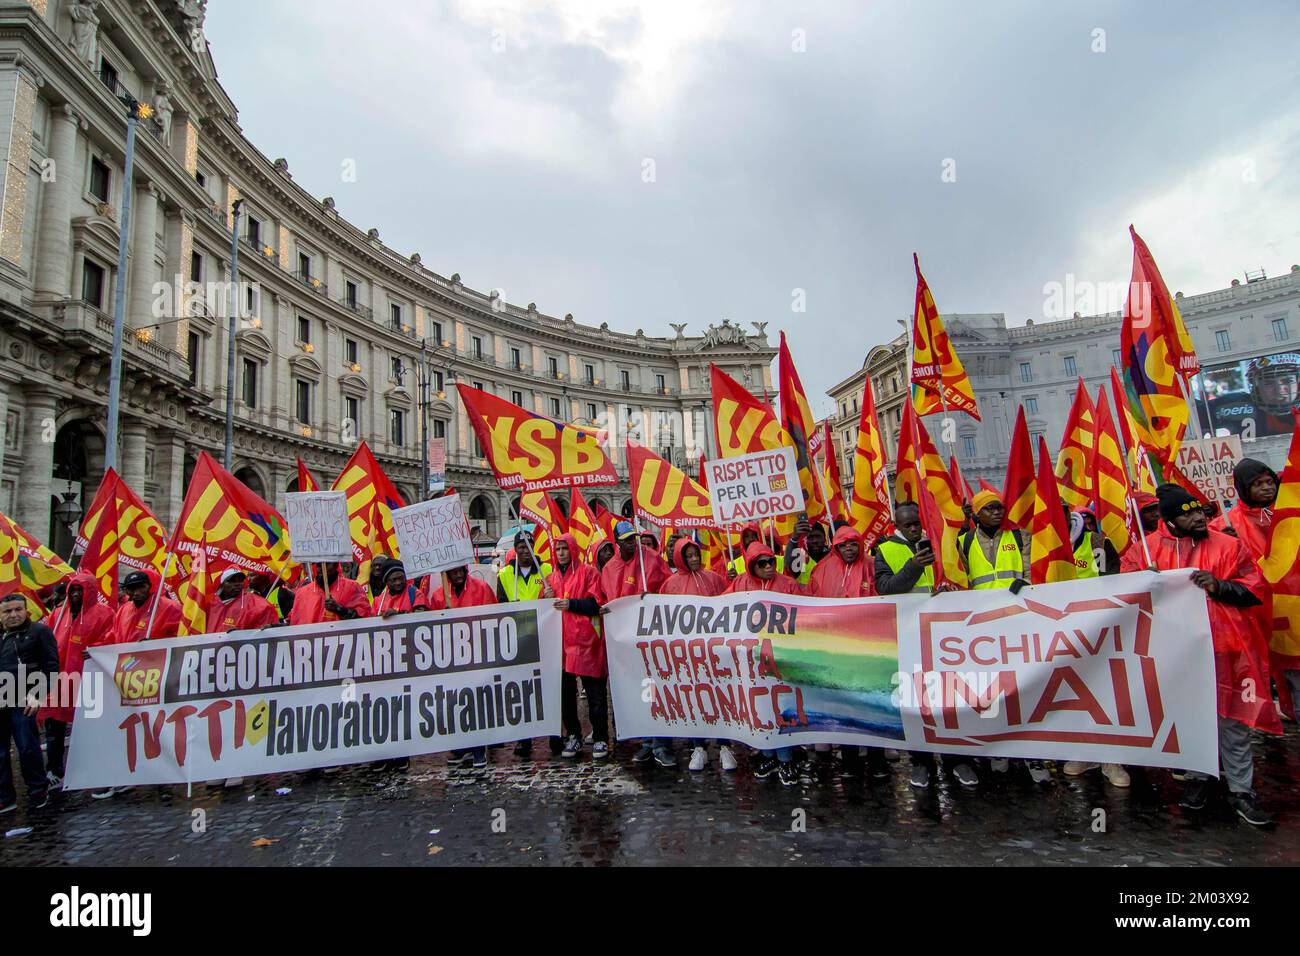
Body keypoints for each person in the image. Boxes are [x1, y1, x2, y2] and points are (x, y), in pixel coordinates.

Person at [1147, 483, 1277, 825]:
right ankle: (1199, 779)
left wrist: (1219, 586)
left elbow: (1256, 589)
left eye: (1200, 510)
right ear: (1171, 520)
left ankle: (1241, 791)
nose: (1198, 517)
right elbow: (1127, 599)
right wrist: (1145, 584)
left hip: (1228, 652)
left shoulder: (1230, 546)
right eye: (1187, 513)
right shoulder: (1147, 553)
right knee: (1191, 721)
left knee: (1233, 723)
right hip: (1180, 655)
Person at [874, 503, 980, 790]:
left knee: (949, 702)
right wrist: (913, 567)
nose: (914, 529)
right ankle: (921, 762)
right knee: (916, 704)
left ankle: (955, 758)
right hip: (909, 639)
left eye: (916, 523)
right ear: (897, 524)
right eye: (908, 525)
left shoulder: (938, 542)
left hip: (944, 639)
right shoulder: (885, 551)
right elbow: (885, 589)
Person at [958, 491, 1048, 783]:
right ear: (977, 514)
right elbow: (962, 579)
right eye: (990, 508)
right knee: (992, 690)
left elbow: (1033, 570)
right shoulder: (964, 542)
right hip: (983, 630)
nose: (998, 512)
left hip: (1017, 624)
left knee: (1024, 688)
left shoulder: (1021, 537)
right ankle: (1000, 748)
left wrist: (1027, 584)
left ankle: (1034, 752)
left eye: (1000, 507)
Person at [807, 525, 885, 778]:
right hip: (836, 651)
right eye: (844, 545)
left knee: (873, 705)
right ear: (836, 547)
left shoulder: (872, 565)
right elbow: (811, 604)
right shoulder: (822, 570)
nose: (849, 549)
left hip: (869, 649)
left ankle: (877, 759)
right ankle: (850, 759)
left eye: (853, 544)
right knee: (846, 706)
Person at [726, 543, 804, 785]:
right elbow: (721, 609)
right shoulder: (739, 584)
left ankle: (786, 757)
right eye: (762, 563)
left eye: (771, 561)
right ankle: (769, 755)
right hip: (752, 659)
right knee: (761, 707)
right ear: (751, 566)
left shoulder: (788, 584)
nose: (769, 567)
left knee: (782, 706)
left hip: (781, 657)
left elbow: (804, 613)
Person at [663, 538, 737, 772]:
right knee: (695, 698)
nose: (694, 559)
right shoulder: (671, 584)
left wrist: (734, 584)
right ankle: (699, 747)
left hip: (714, 650)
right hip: (688, 653)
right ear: (680, 559)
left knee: (720, 697)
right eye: (689, 556)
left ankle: (725, 746)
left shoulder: (714, 578)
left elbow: (730, 603)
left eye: (696, 554)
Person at [602, 522, 673, 766]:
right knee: (638, 691)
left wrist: (653, 599)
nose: (632, 543)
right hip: (625, 642)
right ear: (617, 543)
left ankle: (661, 743)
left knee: (654, 689)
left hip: (650, 639)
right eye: (627, 540)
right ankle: (646, 742)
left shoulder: (651, 559)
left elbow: (669, 588)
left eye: (634, 538)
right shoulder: (609, 568)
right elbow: (604, 599)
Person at [38, 572, 113, 789]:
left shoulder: (104, 613)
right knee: (54, 726)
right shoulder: (59, 614)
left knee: (92, 727)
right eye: (74, 589)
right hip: (60, 679)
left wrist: (95, 650)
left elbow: (110, 637)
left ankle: (96, 769)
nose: (77, 594)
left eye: (81, 589)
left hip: (89, 678)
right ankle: (54, 769)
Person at [548, 535, 610, 760]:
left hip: (586, 643)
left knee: (595, 695)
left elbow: (597, 603)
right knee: (566, 696)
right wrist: (546, 598)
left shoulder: (589, 573)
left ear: (573, 550)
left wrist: (571, 604)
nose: (562, 553)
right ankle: (573, 734)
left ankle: (601, 737)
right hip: (562, 646)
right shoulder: (551, 579)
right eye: (558, 549)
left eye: (565, 548)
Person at [429, 565, 497, 769]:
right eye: (454, 572)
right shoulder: (439, 595)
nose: (458, 575)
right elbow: (431, 626)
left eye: (461, 571)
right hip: (451, 659)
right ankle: (461, 746)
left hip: (476, 655)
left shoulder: (482, 588)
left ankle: (478, 749)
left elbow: (493, 617)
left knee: (475, 702)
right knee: (454, 704)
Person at [0, 593, 58, 812]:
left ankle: (38, 791)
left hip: (23, 700)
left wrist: (39, 695)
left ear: (26, 610)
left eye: (18, 609)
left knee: (28, 749)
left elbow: (52, 667)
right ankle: (5, 797)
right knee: (1, 753)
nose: (13, 615)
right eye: (8, 611)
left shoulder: (40, 632)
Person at [112, 568, 182, 643]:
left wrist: (155, 644)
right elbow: (113, 635)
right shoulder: (123, 609)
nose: (136, 593)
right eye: (131, 589)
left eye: (141, 587)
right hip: (124, 654)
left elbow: (181, 637)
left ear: (149, 586)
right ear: (126, 591)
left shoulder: (171, 607)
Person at [288, 563, 370, 626]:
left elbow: (365, 620)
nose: (321, 568)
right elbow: (293, 623)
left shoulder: (352, 587)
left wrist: (340, 609)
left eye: (327, 564)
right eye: (318, 564)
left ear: (335, 565)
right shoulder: (302, 593)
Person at [209, 569, 279, 633]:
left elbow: (266, 636)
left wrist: (244, 635)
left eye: (240, 580)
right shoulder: (208, 604)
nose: (237, 583)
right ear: (221, 585)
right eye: (231, 580)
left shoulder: (258, 605)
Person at [784, 516, 830, 587]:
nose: (814, 541)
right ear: (805, 540)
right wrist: (794, 539)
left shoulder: (832, 558)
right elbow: (790, 569)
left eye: (818, 536)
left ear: (825, 539)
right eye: (810, 537)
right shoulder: (801, 558)